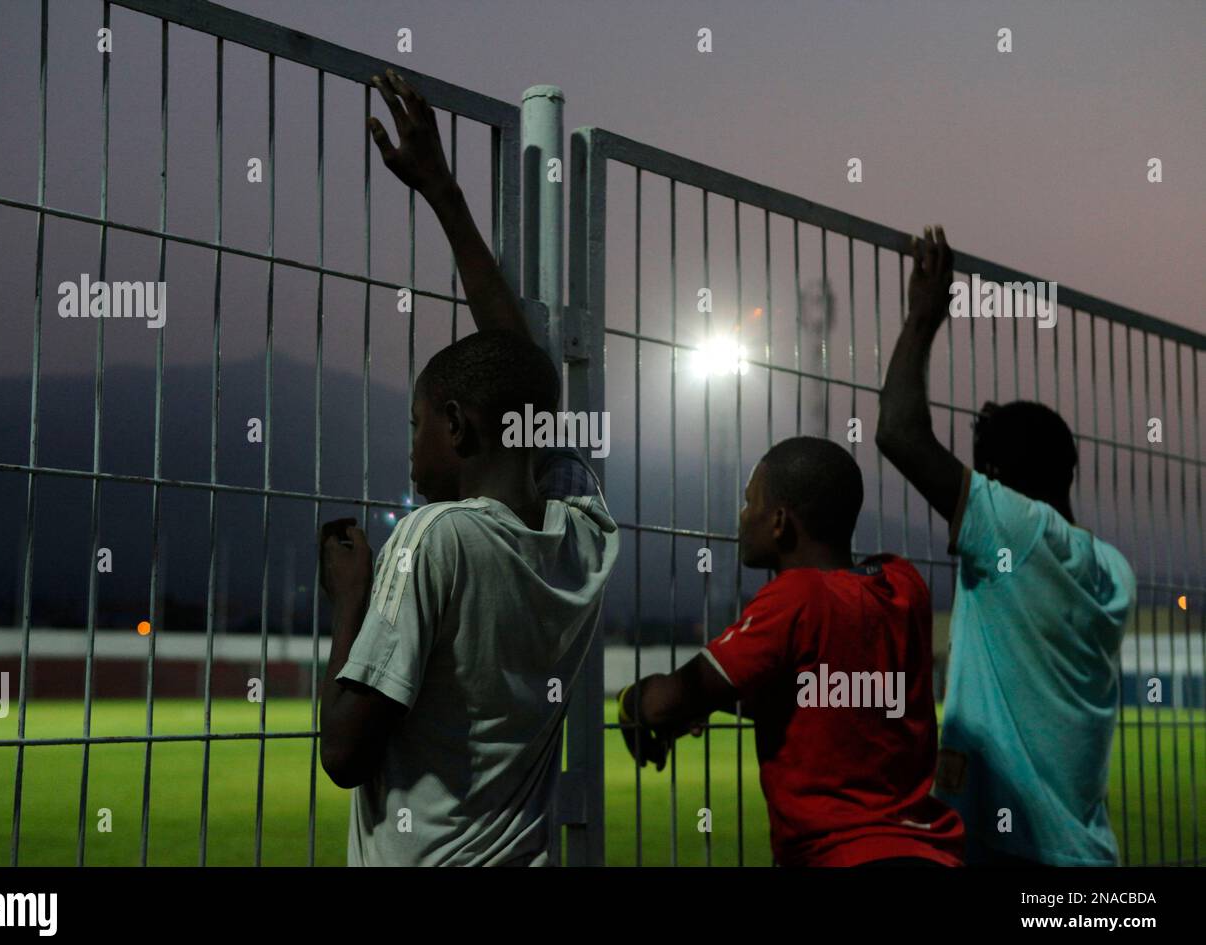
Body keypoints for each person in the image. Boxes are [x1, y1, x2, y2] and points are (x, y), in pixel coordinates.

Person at [315, 70, 618, 866]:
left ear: (455, 426)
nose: (411, 446)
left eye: (417, 423)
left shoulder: (433, 539)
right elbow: (520, 374)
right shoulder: (585, 539)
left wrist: (349, 601)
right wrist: (444, 193)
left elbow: (343, 754)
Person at [877, 226, 1134, 865]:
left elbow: (899, 435)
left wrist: (922, 318)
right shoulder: (1114, 569)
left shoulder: (1012, 529)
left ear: (995, 481)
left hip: (1017, 857)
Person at [617, 436, 964, 866]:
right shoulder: (903, 582)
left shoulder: (795, 598)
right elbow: (831, 698)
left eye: (749, 503)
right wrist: (716, 702)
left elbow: (667, 701)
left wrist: (633, 700)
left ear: (779, 521)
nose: (742, 517)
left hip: (839, 857)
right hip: (930, 853)